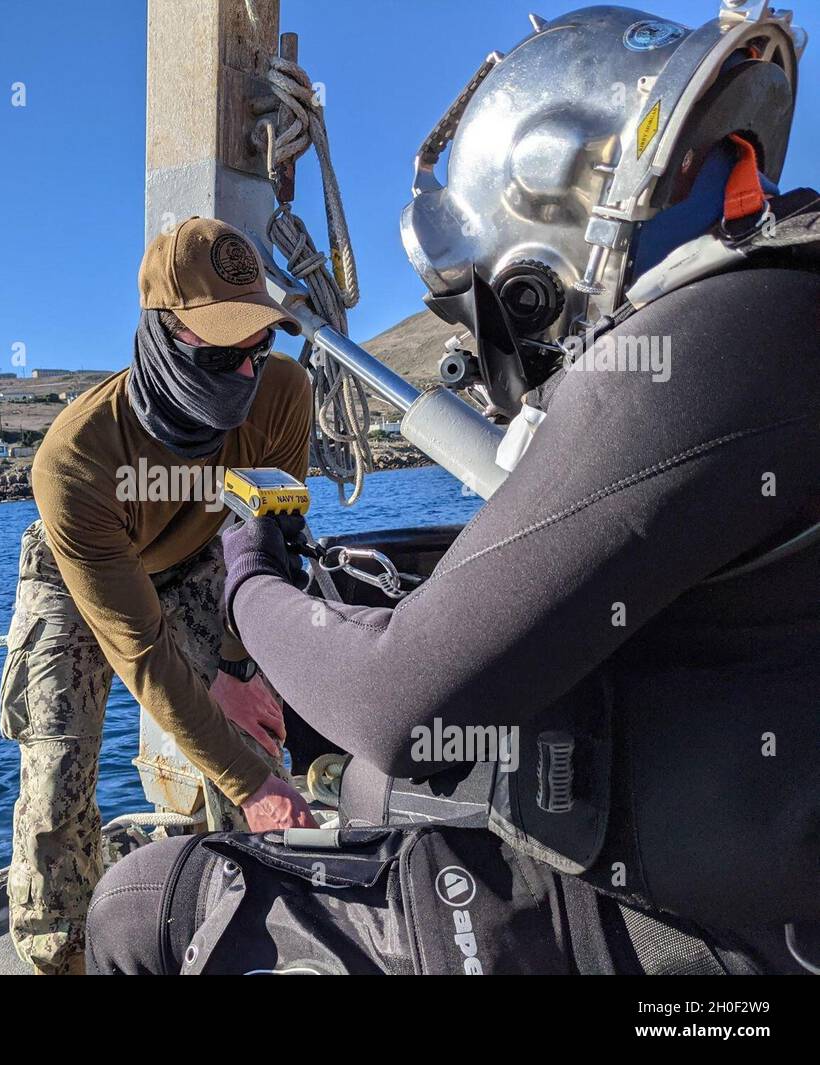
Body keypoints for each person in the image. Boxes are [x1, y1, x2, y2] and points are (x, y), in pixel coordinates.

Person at [86, 3, 820, 975]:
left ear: (529, 275)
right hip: (736, 889)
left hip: (675, 943)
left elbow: (401, 709)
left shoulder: (704, 346)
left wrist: (249, 575)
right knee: (362, 797)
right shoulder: (775, 305)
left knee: (142, 901)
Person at [0, 216, 317, 975]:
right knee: (55, 770)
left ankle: (240, 913)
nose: (246, 374)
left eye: (258, 347)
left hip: (199, 556)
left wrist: (239, 667)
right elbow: (139, 649)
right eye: (220, 352)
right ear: (162, 337)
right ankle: (64, 955)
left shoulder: (283, 395)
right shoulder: (74, 462)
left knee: (257, 726)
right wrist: (243, 767)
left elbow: (265, 538)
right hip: (82, 579)